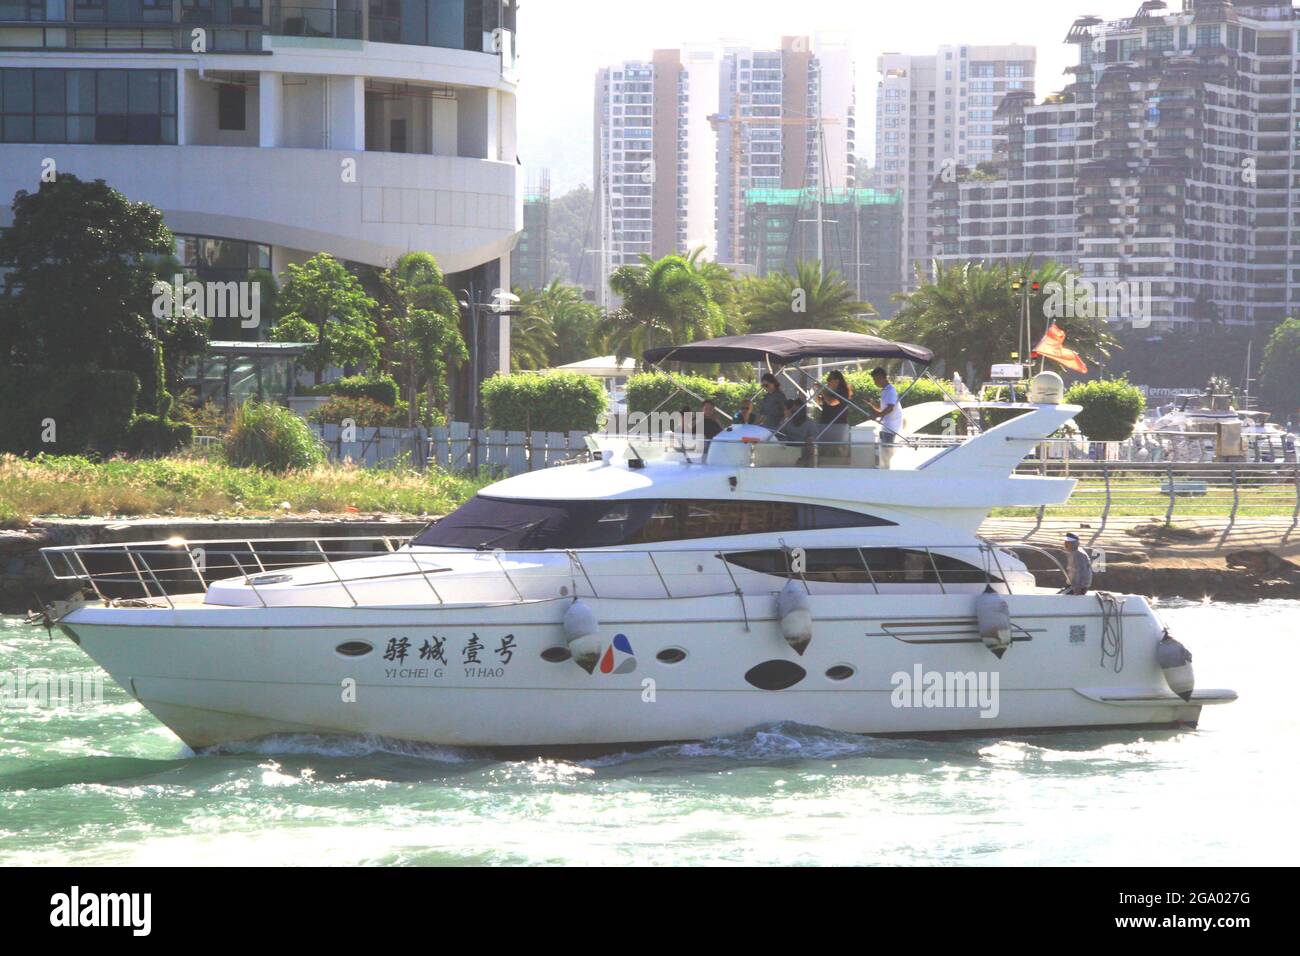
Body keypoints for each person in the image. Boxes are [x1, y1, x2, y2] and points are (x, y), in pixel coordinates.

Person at [868, 367, 904, 466]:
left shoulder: (891, 391)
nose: (874, 382)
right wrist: (871, 403)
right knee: (883, 453)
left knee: (887, 454)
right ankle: (885, 470)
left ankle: (888, 473)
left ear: (881, 378)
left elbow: (890, 408)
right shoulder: (885, 391)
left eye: (875, 379)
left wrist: (876, 415)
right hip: (886, 427)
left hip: (891, 428)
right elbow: (882, 408)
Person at [814, 370, 852, 459]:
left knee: (837, 450)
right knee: (824, 449)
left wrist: (823, 390)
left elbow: (832, 402)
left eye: (829, 379)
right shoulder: (828, 391)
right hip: (825, 423)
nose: (827, 381)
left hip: (838, 425)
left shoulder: (843, 392)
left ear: (837, 380)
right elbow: (819, 402)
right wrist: (817, 392)